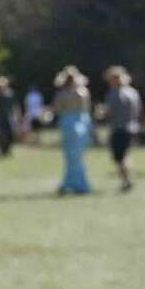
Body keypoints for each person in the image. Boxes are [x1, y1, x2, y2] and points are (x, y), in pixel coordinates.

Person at [51, 66, 92, 195]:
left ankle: (75, 184)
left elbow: (57, 109)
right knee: (77, 157)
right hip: (81, 123)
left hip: (69, 123)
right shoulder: (83, 92)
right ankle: (76, 184)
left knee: (72, 157)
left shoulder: (63, 94)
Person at [103, 67, 141, 193]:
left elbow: (108, 112)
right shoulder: (133, 92)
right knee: (125, 155)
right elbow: (138, 110)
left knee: (120, 157)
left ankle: (126, 180)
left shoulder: (113, 93)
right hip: (132, 128)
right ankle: (128, 179)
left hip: (119, 129)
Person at [0, 76, 19, 159]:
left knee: (10, 135)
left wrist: (17, 116)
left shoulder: (10, 94)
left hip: (8, 118)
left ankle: (7, 151)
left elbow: (15, 106)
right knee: (0, 136)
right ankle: (1, 152)